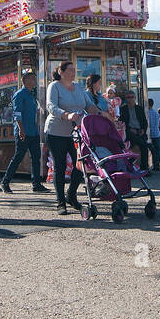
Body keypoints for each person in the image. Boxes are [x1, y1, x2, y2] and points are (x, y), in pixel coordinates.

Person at [43, 59, 100, 214]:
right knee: (60, 166)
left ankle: (71, 195)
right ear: (60, 72)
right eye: (70, 70)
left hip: (77, 132)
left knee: (81, 165)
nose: (73, 72)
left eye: (74, 70)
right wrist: (66, 115)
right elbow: (50, 106)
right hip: (56, 131)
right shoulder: (54, 86)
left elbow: (89, 104)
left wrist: (97, 111)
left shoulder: (79, 88)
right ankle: (60, 202)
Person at [2, 71, 50, 195]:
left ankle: (36, 184)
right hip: (23, 131)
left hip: (33, 132)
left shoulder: (31, 95)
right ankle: (5, 182)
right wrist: (21, 130)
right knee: (18, 157)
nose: (35, 81)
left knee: (36, 158)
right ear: (26, 80)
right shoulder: (20, 95)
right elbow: (17, 114)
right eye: (33, 79)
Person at [119, 90, 150, 171]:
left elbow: (144, 121)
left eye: (132, 97)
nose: (130, 99)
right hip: (129, 132)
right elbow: (122, 122)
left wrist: (143, 130)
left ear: (135, 98)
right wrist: (130, 129)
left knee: (144, 147)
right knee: (143, 144)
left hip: (140, 131)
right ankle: (135, 166)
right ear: (126, 99)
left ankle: (145, 168)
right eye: (128, 97)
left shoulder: (139, 109)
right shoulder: (123, 109)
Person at [147, 98, 160, 173]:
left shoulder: (147, 113)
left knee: (152, 150)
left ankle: (153, 164)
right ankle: (157, 164)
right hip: (157, 133)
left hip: (150, 134)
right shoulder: (156, 113)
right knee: (157, 150)